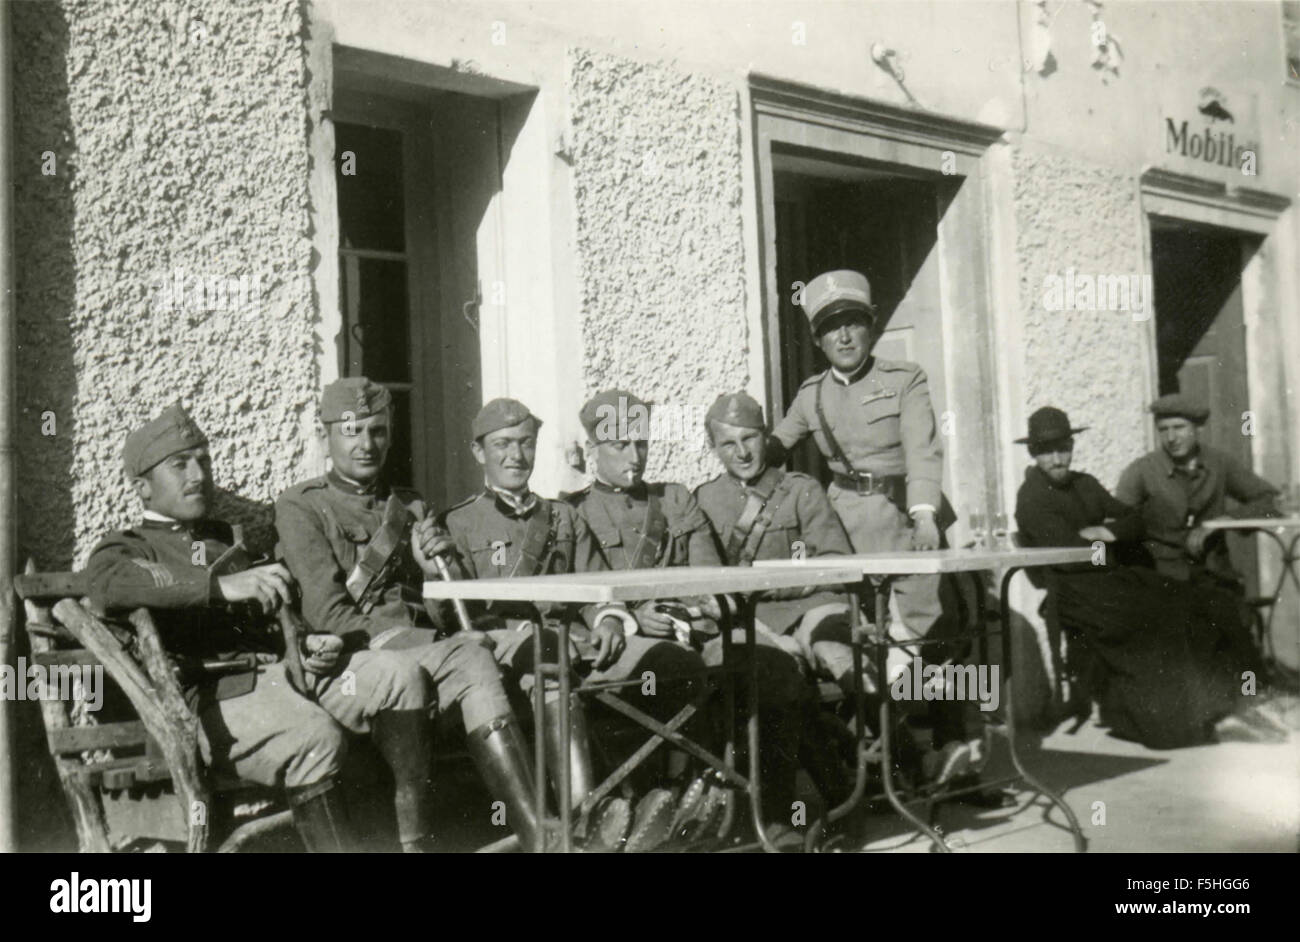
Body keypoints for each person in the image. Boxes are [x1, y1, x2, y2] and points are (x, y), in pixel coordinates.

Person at [87, 403, 435, 852]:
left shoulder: (224, 542)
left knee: (397, 675)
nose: (198, 474)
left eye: (204, 461)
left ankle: (415, 845)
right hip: (214, 701)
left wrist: (309, 643)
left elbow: (272, 622)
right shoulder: (129, 547)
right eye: (180, 465)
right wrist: (218, 585)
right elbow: (106, 585)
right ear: (143, 488)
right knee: (314, 738)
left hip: (286, 675)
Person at [274, 378, 545, 851]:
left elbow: (440, 614)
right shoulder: (301, 506)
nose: (366, 444)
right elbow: (327, 614)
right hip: (346, 664)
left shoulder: (412, 505)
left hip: (410, 658)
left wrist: (433, 573)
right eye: (352, 431)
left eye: (378, 432)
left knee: (491, 653)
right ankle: (416, 844)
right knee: (448, 661)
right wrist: (426, 642)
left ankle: (535, 828)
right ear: (325, 437)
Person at [565, 388, 814, 848]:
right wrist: (637, 619)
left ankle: (771, 816)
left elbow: (706, 577)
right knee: (668, 672)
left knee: (770, 667)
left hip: (693, 630)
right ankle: (671, 803)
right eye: (620, 445)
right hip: (629, 644)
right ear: (593, 451)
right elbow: (585, 593)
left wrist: (680, 609)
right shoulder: (574, 512)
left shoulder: (676, 500)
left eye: (641, 443)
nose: (634, 455)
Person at [695, 391, 972, 791]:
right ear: (714, 448)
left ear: (765, 436)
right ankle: (840, 781)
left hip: (813, 605)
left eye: (750, 439)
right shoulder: (705, 499)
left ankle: (913, 759)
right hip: (752, 620)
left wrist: (773, 589)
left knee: (840, 653)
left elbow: (836, 562)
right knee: (776, 669)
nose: (742, 452)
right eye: (728, 444)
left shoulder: (800, 490)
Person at [430, 397, 661, 849]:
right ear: (479, 453)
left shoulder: (563, 516)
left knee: (661, 661)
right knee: (549, 657)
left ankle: (675, 796)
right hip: (511, 651)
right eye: (502, 445)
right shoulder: (458, 524)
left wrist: (611, 620)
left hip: (576, 644)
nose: (515, 456)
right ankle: (583, 821)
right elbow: (451, 617)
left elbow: (596, 586)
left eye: (525, 443)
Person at [1014, 405, 1285, 746]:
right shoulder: (1032, 499)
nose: (1057, 459)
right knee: (1165, 618)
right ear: (1033, 453)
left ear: (1072, 446)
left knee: (1208, 601)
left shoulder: (1085, 484)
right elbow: (1073, 558)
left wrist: (1108, 534)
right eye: (1047, 452)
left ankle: (1244, 699)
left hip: (1116, 582)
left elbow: (1138, 520)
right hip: (1078, 595)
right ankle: (1191, 721)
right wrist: (1108, 540)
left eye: (1063, 449)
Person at [1115, 393, 1279, 587]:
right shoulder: (1141, 471)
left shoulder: (1219, 463)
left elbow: (1270, 499)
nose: (1171, 438)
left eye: (1179, 428)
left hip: (1214, 574)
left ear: (1198, 428)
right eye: (1163, 430)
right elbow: (1121, 524)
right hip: (1162, 579)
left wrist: (1224, 521)